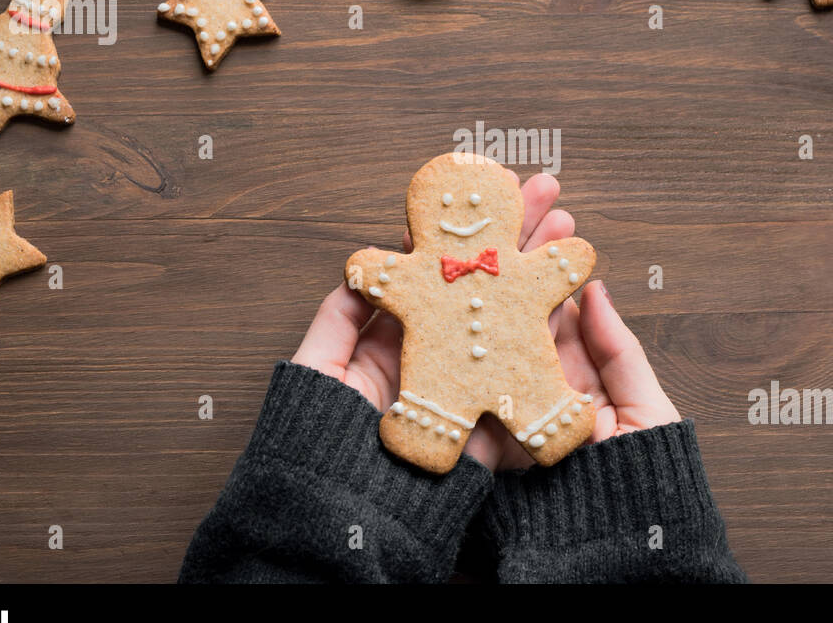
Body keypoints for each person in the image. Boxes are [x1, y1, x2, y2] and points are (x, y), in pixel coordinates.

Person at [179, 171, 745, 583]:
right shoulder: (418, 273)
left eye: (474, 201)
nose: (459, 208)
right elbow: (380, 275)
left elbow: (561, 265)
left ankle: (548, 419)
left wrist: (327, 500)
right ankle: (431, 431)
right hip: (432, 386)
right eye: (446, 201)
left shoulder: (517, 270)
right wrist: (634, 531)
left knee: (539, 398)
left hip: (526, 379)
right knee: (430, 412)